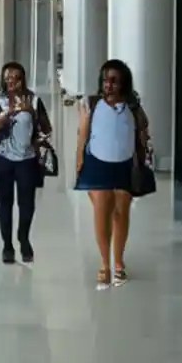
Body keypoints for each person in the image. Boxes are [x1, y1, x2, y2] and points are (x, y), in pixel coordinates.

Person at [75, 59, 150, 289]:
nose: (109, 85)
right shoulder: (92, 103)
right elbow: (82, 135)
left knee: (120, 212)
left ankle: (118, 262)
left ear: (124, 83)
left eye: (115, 81)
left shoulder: (133, 106)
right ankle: (104, 263)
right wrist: (79, 162)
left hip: (125, 164)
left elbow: (143, 133)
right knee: (102, 211)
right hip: (97, 163)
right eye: (106, 80)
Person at [0, 62, 51, 264]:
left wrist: (32, 113)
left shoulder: (34, 101)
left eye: (16, 78)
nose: (12, 82)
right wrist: (6, 116)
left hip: (27, 160)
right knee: (5, 202)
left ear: (23, 79)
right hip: (3, 159)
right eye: (8, 78)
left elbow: (47, 130)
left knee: (26, 203)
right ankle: (7, 245)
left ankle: (23, 237)